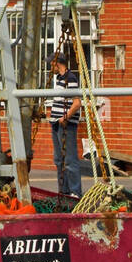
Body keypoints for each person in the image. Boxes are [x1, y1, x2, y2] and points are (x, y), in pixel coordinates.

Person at [49, 51, 83, 198]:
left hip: (65, 124)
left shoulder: (71, 78)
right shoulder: (59, 78)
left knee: (69, 160)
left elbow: (77, 103)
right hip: (56, 123)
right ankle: (64, 191)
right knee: (59, 160)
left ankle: (75, 192)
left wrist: (66, 117)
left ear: (56, 63)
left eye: (51, 63)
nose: (50, 67)